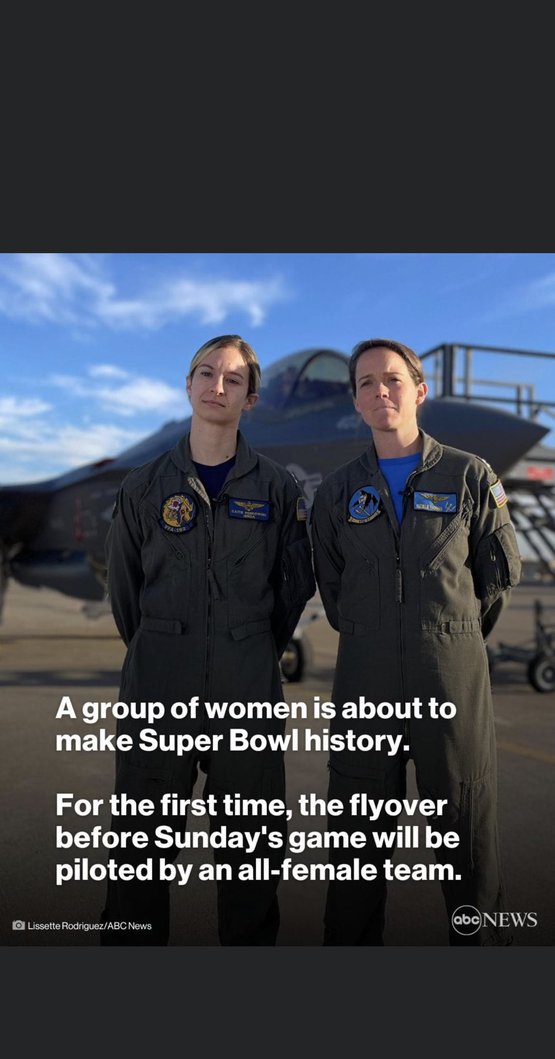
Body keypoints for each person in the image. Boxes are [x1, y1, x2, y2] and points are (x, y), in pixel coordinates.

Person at [101, 334, 315, 945]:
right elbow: (126, 593)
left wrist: (244, 646)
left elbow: (292, 587)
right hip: (158, 689)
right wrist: (167, 644)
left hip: (247, 690)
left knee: (252, 860)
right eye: (205, 373)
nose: (217, 387)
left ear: (250, 400)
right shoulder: (142, 487)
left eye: (233, 379)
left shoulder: (277, 489)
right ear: (188, 385)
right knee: (138, 856)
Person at [311, 338, 521, 946]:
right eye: (366, 383)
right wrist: (380, 633)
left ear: (419, 391)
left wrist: (446, 637)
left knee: (469, 845)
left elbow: (495, 582)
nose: (380, 390)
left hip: (449, 683)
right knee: (353, 854)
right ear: (356, 401)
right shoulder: (336, 493)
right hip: (364, 683)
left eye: (393, 379)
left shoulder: (471, 476)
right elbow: (333, 590)